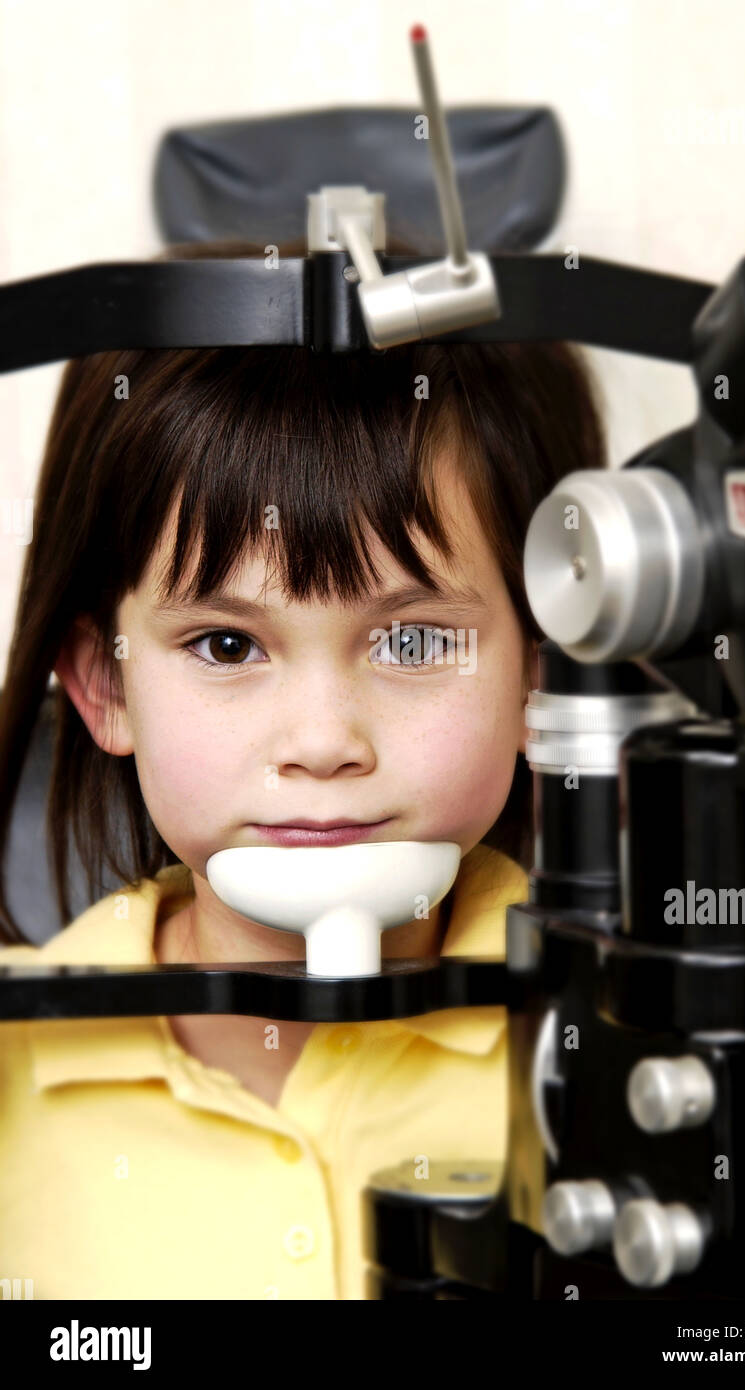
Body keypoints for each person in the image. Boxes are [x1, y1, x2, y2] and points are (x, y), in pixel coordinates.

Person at [0, 236, 606, 1299]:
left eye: (413, 640)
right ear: (103, 685)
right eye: (227, 646)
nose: (323, 742)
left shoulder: (627, 1042)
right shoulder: (12, 1069)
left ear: (543, 682)